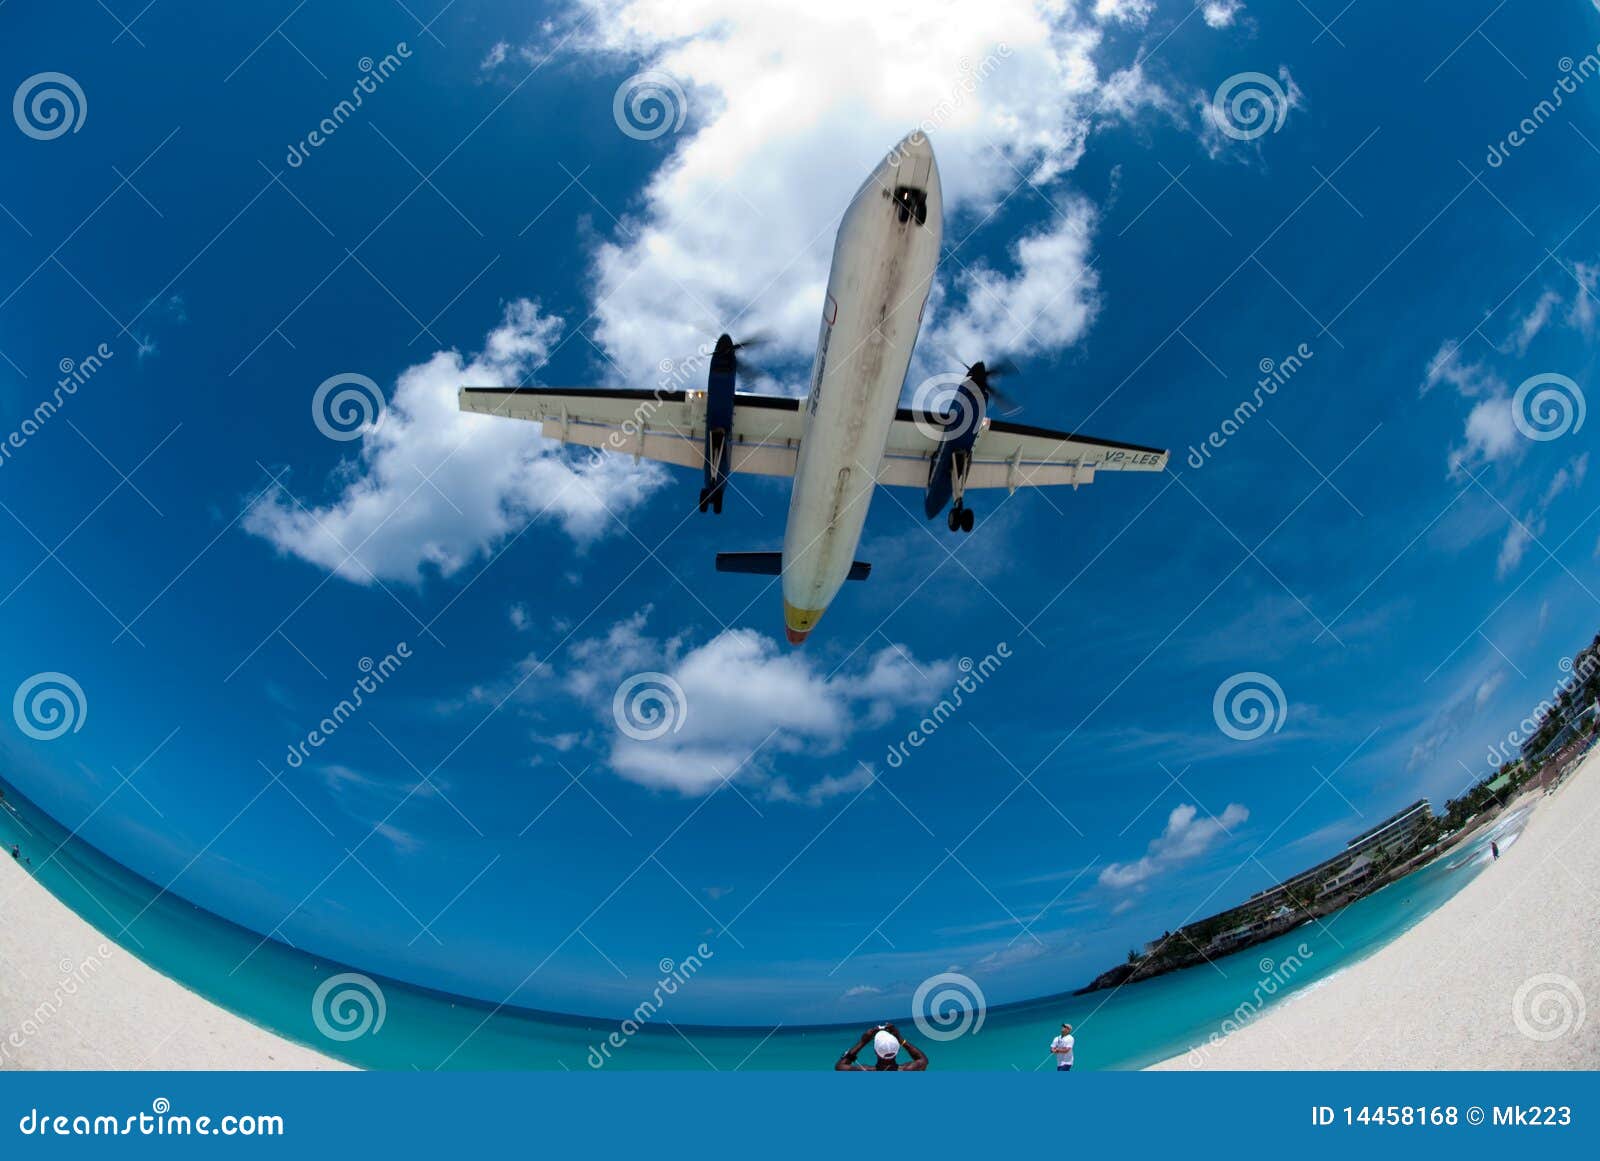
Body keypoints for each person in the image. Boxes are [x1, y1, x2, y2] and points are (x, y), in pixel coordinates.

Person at [835, 1023, 927, 1071]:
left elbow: (840, 1066)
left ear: (875, 1051)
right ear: (898, 1049)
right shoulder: (909, 1070)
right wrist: (900, 1039)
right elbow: (923, 1059)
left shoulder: (865, 1071)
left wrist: (863, 1042)